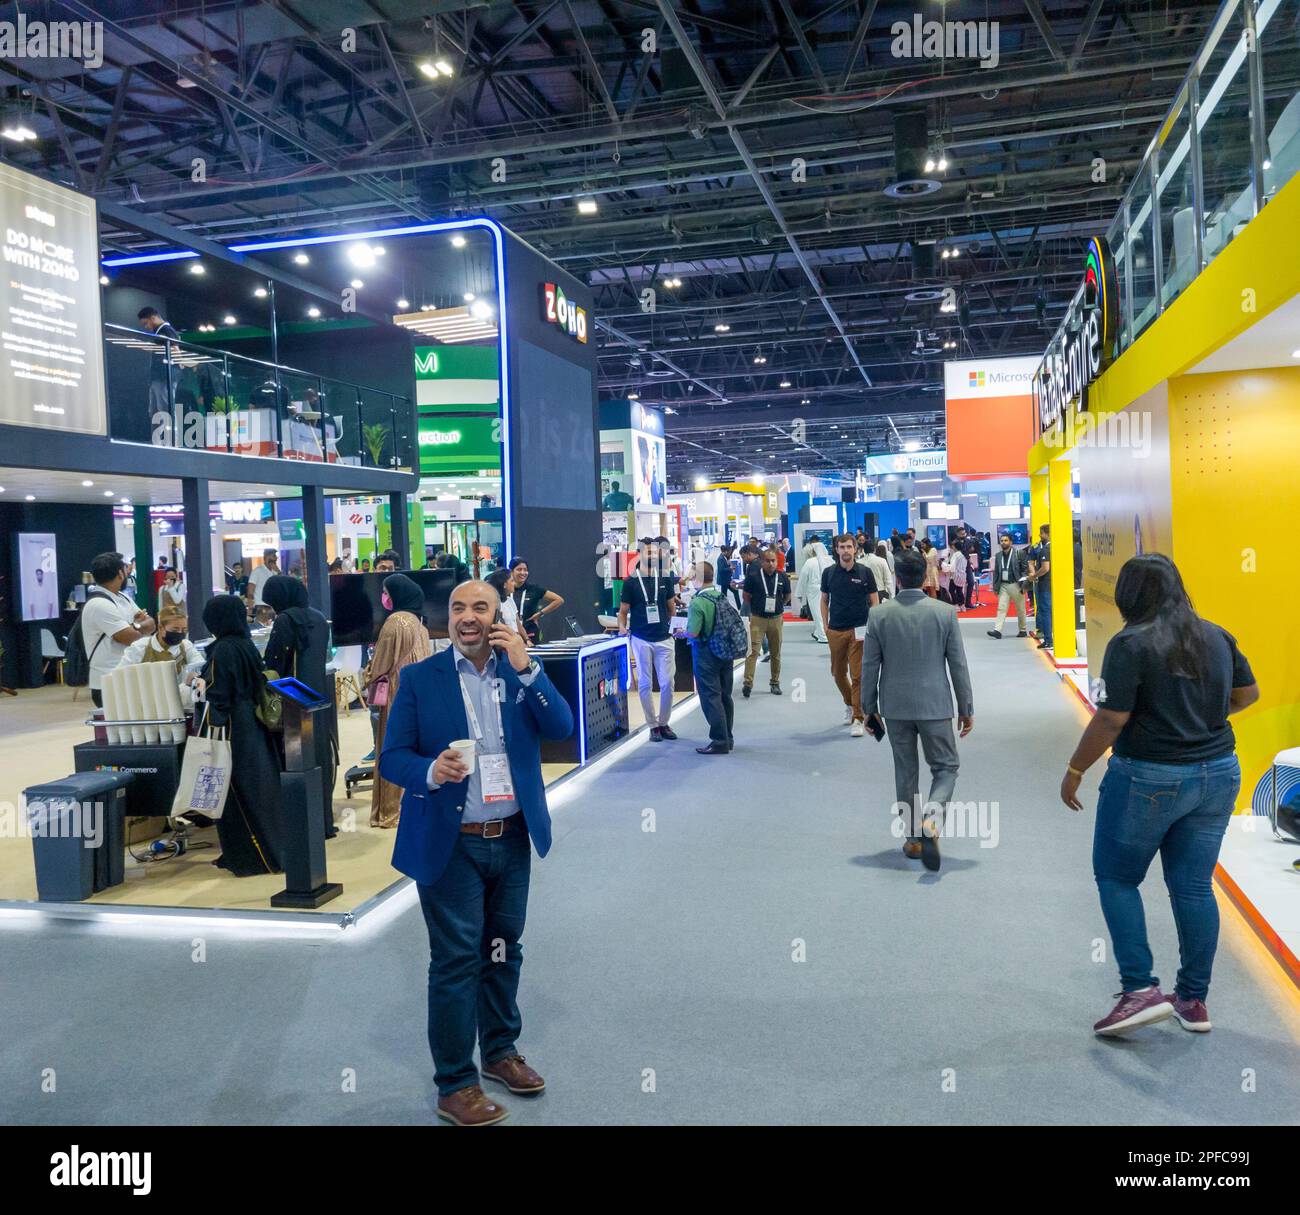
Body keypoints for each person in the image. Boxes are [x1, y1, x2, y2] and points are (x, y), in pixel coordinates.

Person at [380, 579, 573, 1126]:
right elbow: (392, 756)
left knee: (503, 949)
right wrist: (428, 771)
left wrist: (528, 666)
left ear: (496, 616)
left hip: (511, 838)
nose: (468, 617)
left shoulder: (518, 672)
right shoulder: (421, 678)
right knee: (456, 960)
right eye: (459, 608)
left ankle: (499, 1053)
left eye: (479, 607)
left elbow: (561, 728)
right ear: (449, 618)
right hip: (451, 845)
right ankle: (455, 1084)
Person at [1060, 554, 1259, 1036]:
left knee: (1117, 877)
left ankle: (1139, 990)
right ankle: (1192, 999)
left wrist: (1075, 768)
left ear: (1130, 594)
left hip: (1149, 777)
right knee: (1192, 887)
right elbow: (1247, 695)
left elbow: (1111, 718)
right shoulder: (1215, 634)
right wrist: (1204, 716)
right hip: (1218, 775)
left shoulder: (1129, 643)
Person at [861, 549, 974, 872]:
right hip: (935, 704)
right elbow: (958, 665)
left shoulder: (879, 615)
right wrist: (966, 707)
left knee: (905, 770)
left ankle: (912, 838)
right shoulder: (944, 612)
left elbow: (870, 666)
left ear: (896, 577)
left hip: (894, 707)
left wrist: (869, 709)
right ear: (925, 577)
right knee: (946, 767)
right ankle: (933, 819)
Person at [194, 594, 283, 876]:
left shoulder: (221, 650)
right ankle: (271, 850)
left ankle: (249, 856)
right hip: (252, 728)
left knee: (235, 793)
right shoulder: (246, 645)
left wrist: (196, 684)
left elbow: (217, 693)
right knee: (258, 790)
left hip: (231, 728)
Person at [262, 573, 338, 840]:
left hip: (292, 700)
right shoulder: (318, 618)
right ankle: (324, 821)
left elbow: (274, 663)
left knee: (295, 760)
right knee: (319, 758)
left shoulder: (286, 620)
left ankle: (302, 824)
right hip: (317, 696)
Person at [365, 573, 432, 829]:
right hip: (417, 695)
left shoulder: (394, 622)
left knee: (391, 747)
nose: (384, 596)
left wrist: (367, 675)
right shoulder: (419, 623)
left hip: (395, 693)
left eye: (386, 591)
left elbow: (381, 666)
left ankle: (390, 812)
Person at [619, 539, 679, 741]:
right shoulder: (630, 582)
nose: (653, 556)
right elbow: (623, 611)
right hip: (641, 638)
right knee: (645, 683)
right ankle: (652, 725)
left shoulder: (665, 578)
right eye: (649, 552)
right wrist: (621, 627)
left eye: (656, 552)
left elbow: (671, 609)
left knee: (667, 683)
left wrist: (669, 628)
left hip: (664, 638)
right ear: (640, 554)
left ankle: (664, 722)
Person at [820, 534, 879, 736]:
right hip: (835, 629)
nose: (845, 550)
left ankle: (858, 717)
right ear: (836, 550)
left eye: (849, 547)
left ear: (855, 549)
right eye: (841, 547)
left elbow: (874, 600)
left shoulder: (865, 572)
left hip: (859, 630)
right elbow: (824, 600)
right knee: (837, 673)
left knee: (858, 675)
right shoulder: (828, 573)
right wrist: (825, 626)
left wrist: (873, 625)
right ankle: (849, 703)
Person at [82, 552, 156, 708]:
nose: (128, 572)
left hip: (130, 677)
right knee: (121, 730)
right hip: (109, 681)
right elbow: (130, 637)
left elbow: (151, 623)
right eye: (126, 569)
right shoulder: (99, 604)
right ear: (120, 574)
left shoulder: (122, 597)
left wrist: (135, 626)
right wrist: (136, 626)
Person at [685, 561, 733, 755]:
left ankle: (719, 740)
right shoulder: (721, 597)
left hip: (706, 655)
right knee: (725, 696)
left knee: (710, 697)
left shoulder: (698, 602)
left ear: (697, 578)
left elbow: (694, 632)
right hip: (725, 652)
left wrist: (683, 632)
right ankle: (728, 737)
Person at [120, 603, 203, 709]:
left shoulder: (186, 646)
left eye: (184, 630)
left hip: (180, 706)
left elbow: (199, 667)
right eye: (175, 630)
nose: (180, 633)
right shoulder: (140, 648)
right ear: (160, 628)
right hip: (147, 708)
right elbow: (121, 677)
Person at [741, 546, 790, 697]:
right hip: (758, 618)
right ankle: (747, 683)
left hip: (776, 619)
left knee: (776, 653)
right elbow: (746, 596)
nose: (771, 564)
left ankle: (775, 683)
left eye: (773, 561)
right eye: (767, 561)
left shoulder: (782, 577)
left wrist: (777, 606)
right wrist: (757, 606)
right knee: (753, 652)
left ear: (777, 562)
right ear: (762, 562)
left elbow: (787, 596)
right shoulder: (754, 576)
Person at [137, 306, 181, 439]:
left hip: (164, 376)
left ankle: (172, 442)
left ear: (153, 318)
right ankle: (160, 441)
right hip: (158, 377)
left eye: (146, 323)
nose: (146, 327)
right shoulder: (160, 331)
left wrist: (179, 364)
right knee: (155, 411)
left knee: (165, 409)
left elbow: (176, 350)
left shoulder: (166, 330)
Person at [506, 558, 564, 643]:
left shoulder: (534, 589)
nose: (523, 573)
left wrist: (540, 613)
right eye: (519, 569)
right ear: (511, 571)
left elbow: (559, 600)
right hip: (511, 634)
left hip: (530, 632)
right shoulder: (506, 590)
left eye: (525, 570)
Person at [987, 532, 1029, 639]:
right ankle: (997, 630)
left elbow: (1025, 570)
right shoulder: (998, 556)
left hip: (1016, 584)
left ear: (1010, 542)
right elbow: (996, 573)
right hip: (1003, 585)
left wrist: (1024, 585)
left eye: (1006, 540)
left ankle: (1023, 630)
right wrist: (995, 587)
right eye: (1002, 540)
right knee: (1001, 608)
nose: (1003, 542)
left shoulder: (1019, 553)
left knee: (1020, 608)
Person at [795, 540, 832, 642]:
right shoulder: (831, 560)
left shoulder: (810, 562)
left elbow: (803, 577)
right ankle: (820, 633)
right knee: (828, 612)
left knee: (818, 613)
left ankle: (823, 636)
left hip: (814, 591)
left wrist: (799, 593)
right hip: (830, 589)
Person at [487, 567, 530, 644]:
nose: (514, 583)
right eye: (512, 581)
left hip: (517, 641)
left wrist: (527, 640)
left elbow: (518, 623)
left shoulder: (510, 600)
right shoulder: (495, 604)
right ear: (504, 585)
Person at [1029, 523, 1053, 650]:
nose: (1039, 535)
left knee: (1045, 611)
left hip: (1045, 584)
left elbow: (1045, 568)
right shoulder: (1058, 547)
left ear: (1048, 534)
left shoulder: (1045, 549)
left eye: (1042, 533)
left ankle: (1048, 639)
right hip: (1054, 585)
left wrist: (1034, 576)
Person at [943, 544, 968, 610]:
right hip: (962, 575)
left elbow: (952, 567)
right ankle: (962, 605)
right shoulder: (964, 554)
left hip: (955, 575)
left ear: (955, 546)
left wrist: (944, 565)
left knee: (951, 590)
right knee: (959, 590)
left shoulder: (956, 554)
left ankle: (956, 604)